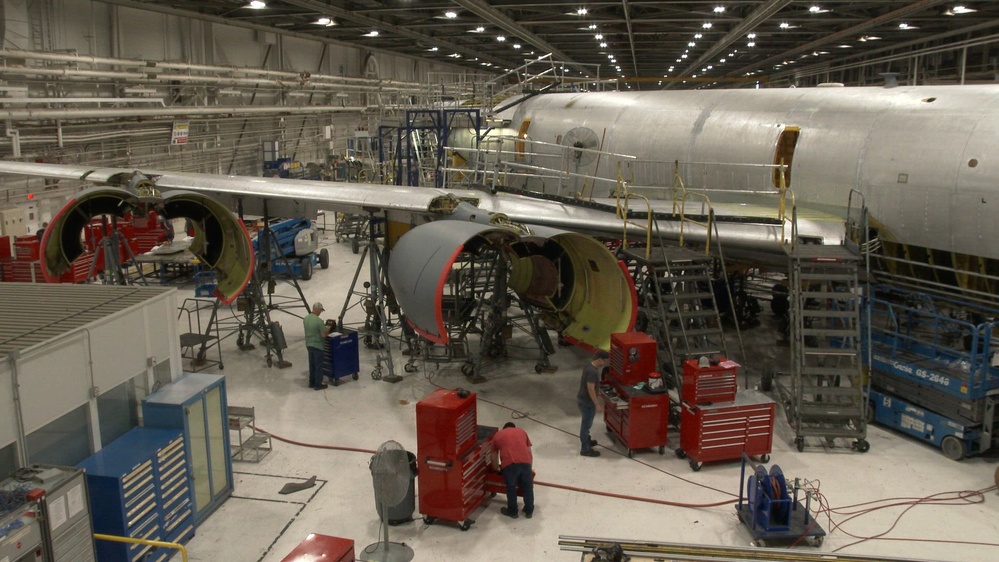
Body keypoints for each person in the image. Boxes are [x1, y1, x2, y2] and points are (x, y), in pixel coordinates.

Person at [491, 422, 534, 519]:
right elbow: (529, 451)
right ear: (514, 427)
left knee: (511, 488)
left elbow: (493, 456)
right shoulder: (521, 431)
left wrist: (496, 469)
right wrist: (529, 467)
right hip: (525, 461)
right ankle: (529, 510)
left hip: (510, 464)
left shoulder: (498, 435)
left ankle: (513, 511)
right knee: (528, 486)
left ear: (504, 428)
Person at [578, 350, 609, 457]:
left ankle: (587, 440)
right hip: (587, 402)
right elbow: (590, 388)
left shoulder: (589, 366)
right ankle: (585, 449)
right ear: (599, 359)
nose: (604, 363)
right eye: (604, 360)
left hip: (583, 399)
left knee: (586, 423)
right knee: (586, 425)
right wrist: (597, 404)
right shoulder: (592, 371)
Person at [303, 302, 333, 390]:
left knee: (311, 364)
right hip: (317, 345)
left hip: (309, 344)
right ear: (317, 309)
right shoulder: (319, 321)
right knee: (318, 365)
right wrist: (328, 329)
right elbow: (323, 335)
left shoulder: (306, 318)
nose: (320, 312)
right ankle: (318, 384)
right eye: (320, 310)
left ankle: (311, 382)